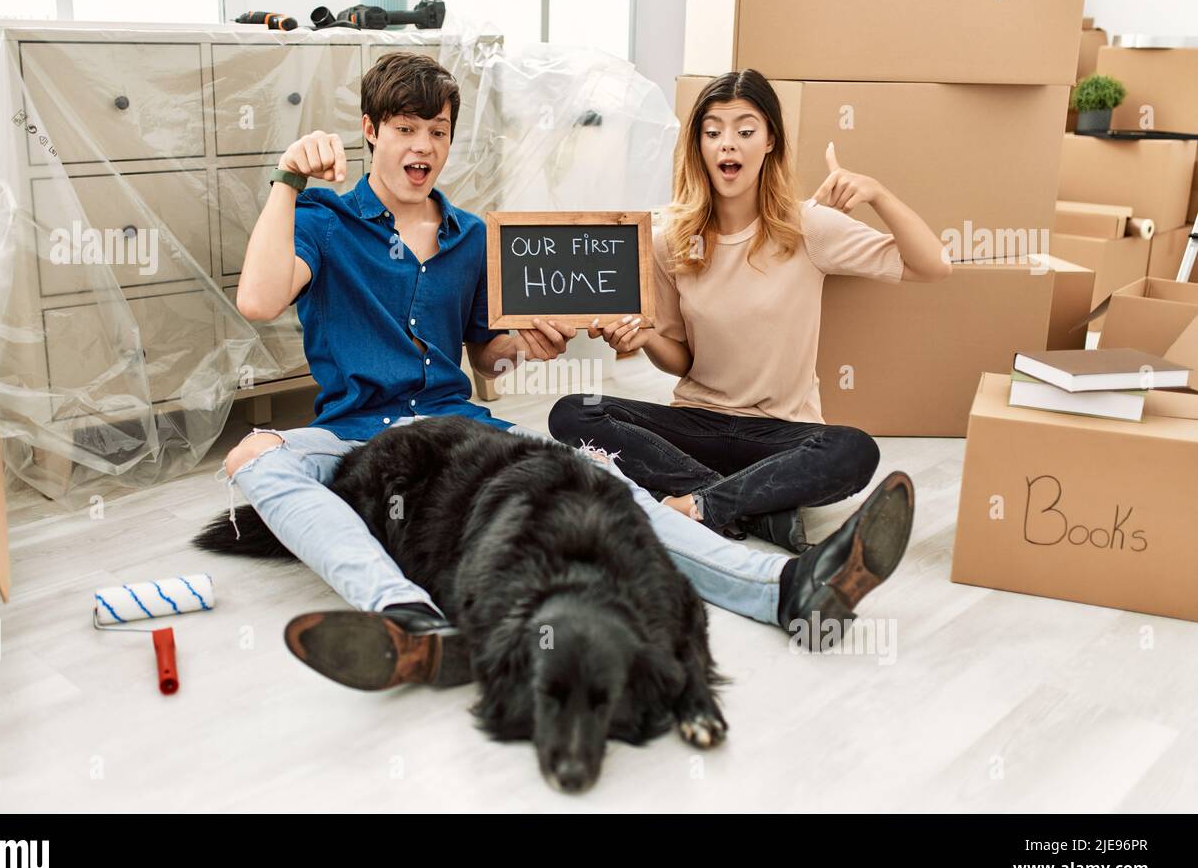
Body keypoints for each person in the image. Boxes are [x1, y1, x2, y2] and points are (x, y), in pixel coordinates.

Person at [220, 53, 916, 692]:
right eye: (405, 129)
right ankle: (407, 618)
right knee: (258, 463)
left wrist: (529, 344)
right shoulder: (323, 218)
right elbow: (258, 300)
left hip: (460, 437)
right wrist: (287, 180)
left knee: (600, 475)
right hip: (356, 438)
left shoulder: (471, 237)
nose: (423, 148)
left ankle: (786, 585)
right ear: (370, 131)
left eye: (437, 131)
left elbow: (488, 358)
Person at [549, 68, 950, 556]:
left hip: (780, 431)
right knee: (574, 412)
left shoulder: (810, 228)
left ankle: (698, 503)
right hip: (696, 423)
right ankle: (751, 506)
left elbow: (932, 266)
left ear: (770, 142)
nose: (727, 145)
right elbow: (682, 361)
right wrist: (647, 337)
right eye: (713, 131)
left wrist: (876, 193)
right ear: (698, 146)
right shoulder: (670, 241)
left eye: (744, 130)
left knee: (853, 450)